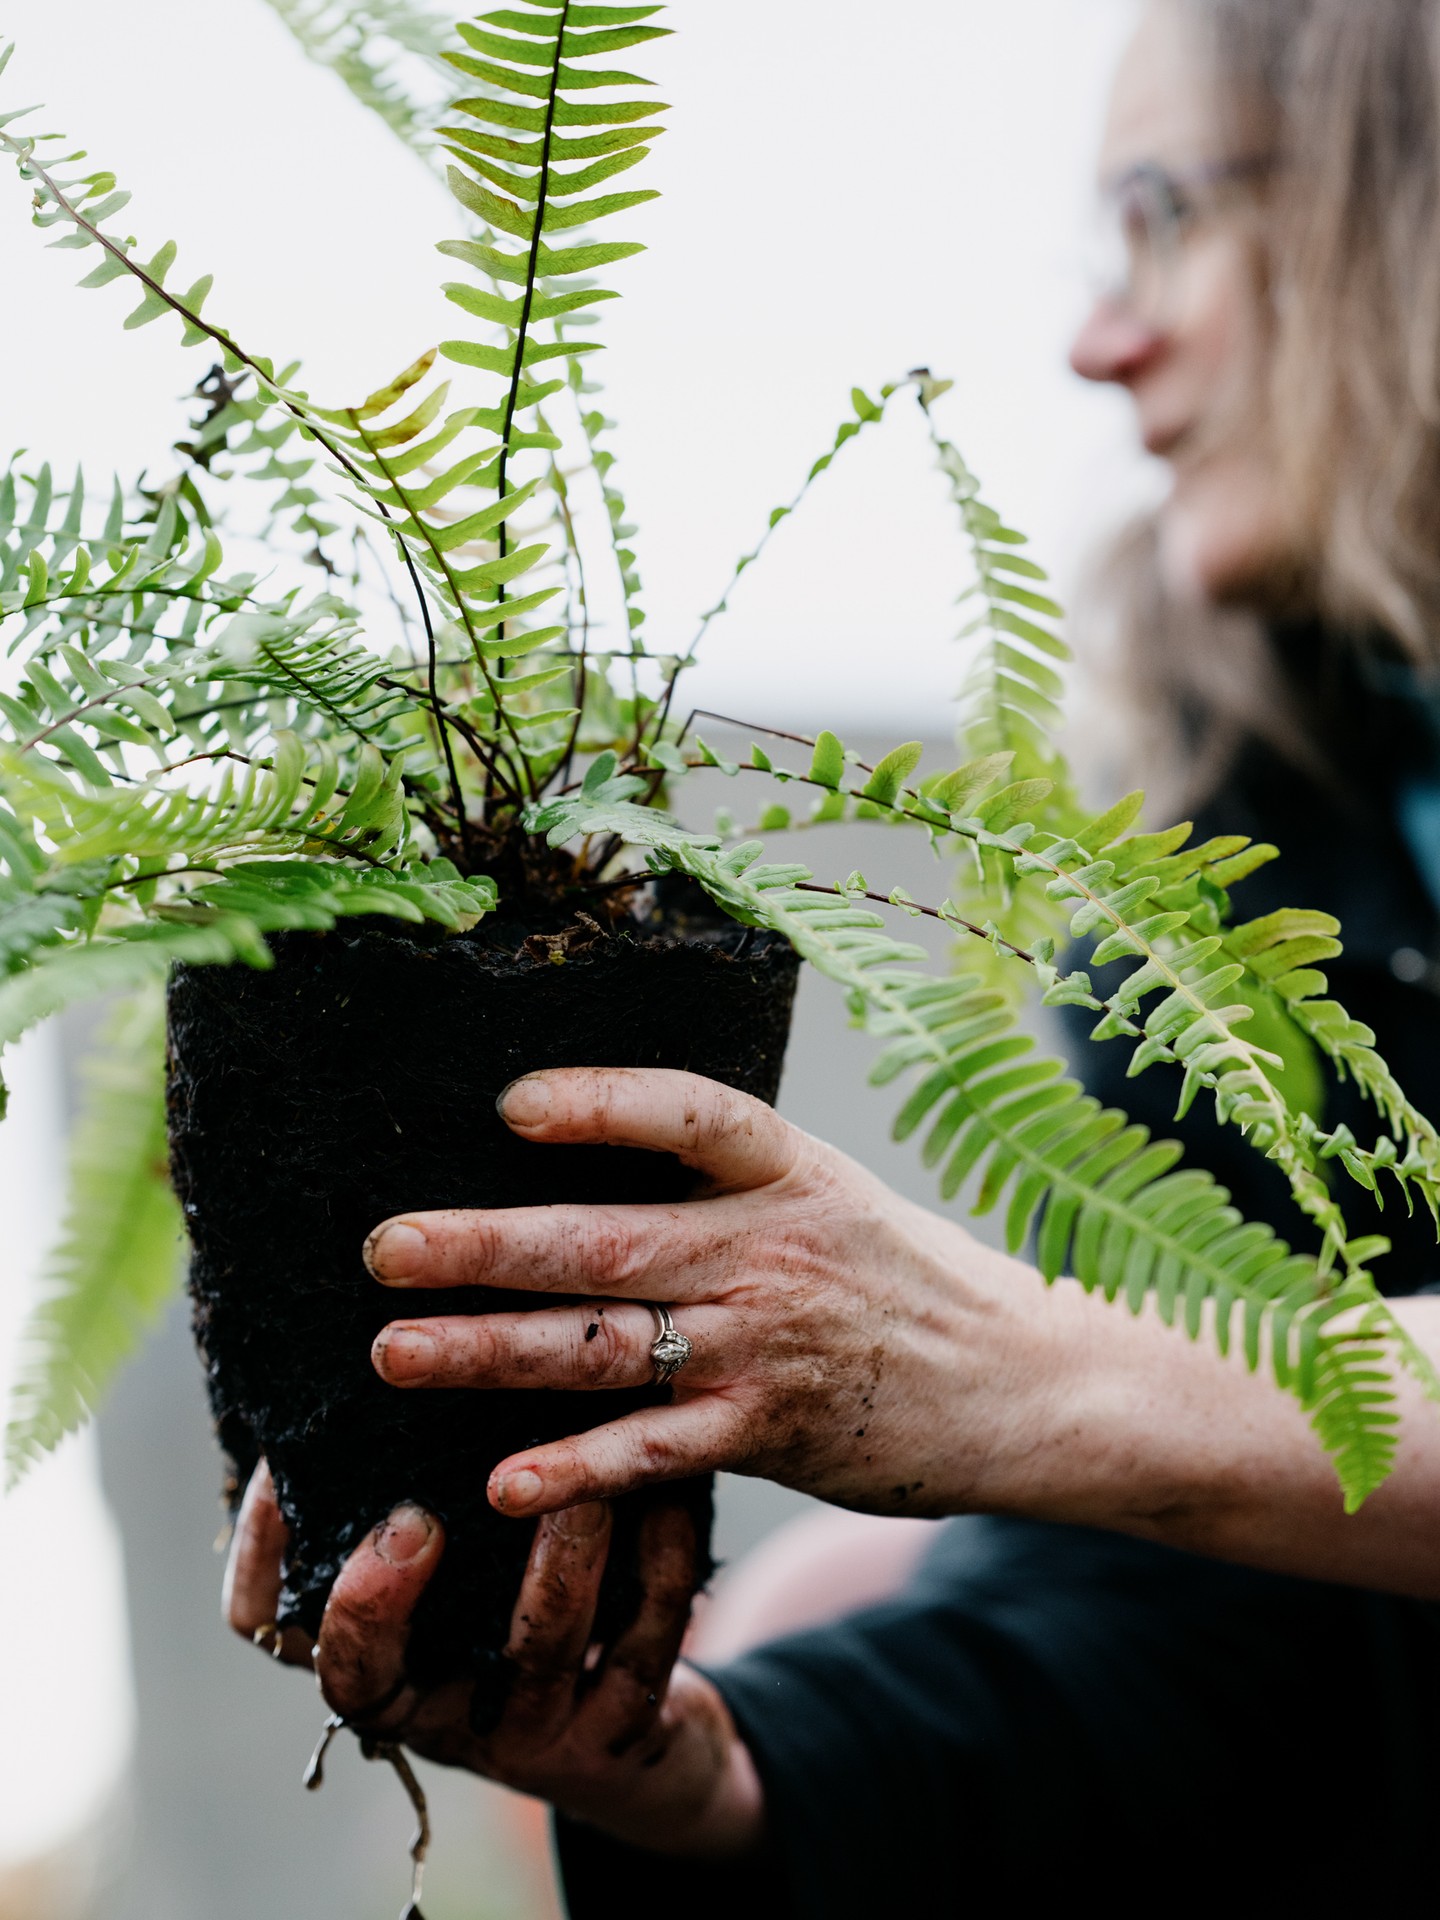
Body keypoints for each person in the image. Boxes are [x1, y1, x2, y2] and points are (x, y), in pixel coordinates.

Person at [226, 0, 1440, 1907]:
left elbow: (1125, 1423)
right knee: (827, 1602)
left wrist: (1017, 1369)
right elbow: (1193, 1652)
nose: (1100, 340)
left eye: (1168, 211)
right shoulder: (1235, 874)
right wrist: (706, 1772)